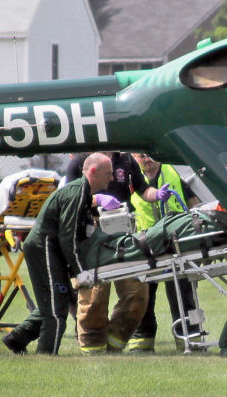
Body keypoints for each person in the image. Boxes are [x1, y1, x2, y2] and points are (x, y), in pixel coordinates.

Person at [1, 152, 114, 354]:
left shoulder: (84, 194)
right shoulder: (77, 193)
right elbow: (68, 236)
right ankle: (46, 357)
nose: (112, 178)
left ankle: (16, 339)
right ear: (94, 171)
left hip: (50, 249)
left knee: (58, 302)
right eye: (109, 173)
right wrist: (80, 271)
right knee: (55, 313)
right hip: (44, 247)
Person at [65, 151, 171, 354]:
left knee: (137, 292)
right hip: (92, 234)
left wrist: (156, 194)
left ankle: (115, 345)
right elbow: (69, 197)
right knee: (95, 295)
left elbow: (143, 189)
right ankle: (93, 347)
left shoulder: (127, 160)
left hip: (124, 234)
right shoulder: (80, 161)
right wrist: (97, 200)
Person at [127, 153, 201, 352]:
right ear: (134, 157)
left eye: (150, 154)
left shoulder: (173, 171)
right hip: (146, 246)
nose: (147, 159)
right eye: (141, 155)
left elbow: (194, 203)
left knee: (184, 294)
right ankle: (142, 342)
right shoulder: (130, 177)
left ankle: (191, 338)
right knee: (143, 296)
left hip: (177, 244)